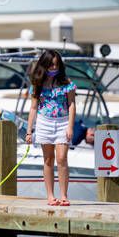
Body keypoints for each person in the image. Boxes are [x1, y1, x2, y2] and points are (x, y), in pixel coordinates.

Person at [24, 49, 76, 207]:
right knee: (48, 159)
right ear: (44, 65)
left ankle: (64, 196)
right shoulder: (38, 84)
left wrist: (70, 126)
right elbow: (33, 108)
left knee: (62, 158)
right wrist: (29, 131)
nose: (54, 68)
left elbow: (72, 105)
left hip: (62, 122)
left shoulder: (66, 82)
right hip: (44, 123)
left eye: (56, 65)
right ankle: (51, 196)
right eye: (51, 65)